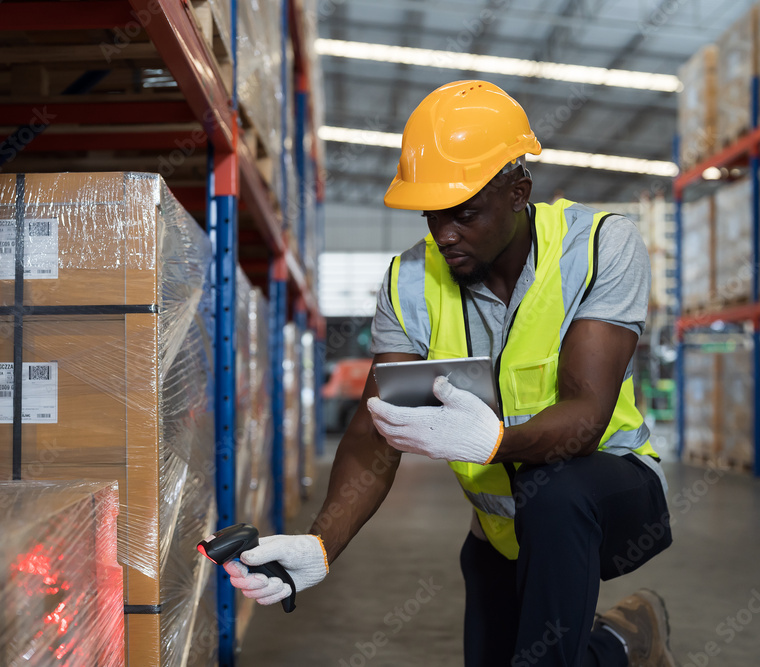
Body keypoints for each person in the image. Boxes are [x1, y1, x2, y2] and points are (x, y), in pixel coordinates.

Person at [223, 80, 676, 666]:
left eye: (464, 214)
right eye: (433, 214)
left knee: (556, 493)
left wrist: (496, 442)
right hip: (500, 531)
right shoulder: (409, 282)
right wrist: (321, 544)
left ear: (519, 192)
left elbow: (587, 417)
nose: (444, 233)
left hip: (610, 502)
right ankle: (624, 639)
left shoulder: (597, 248)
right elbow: (374, 428)